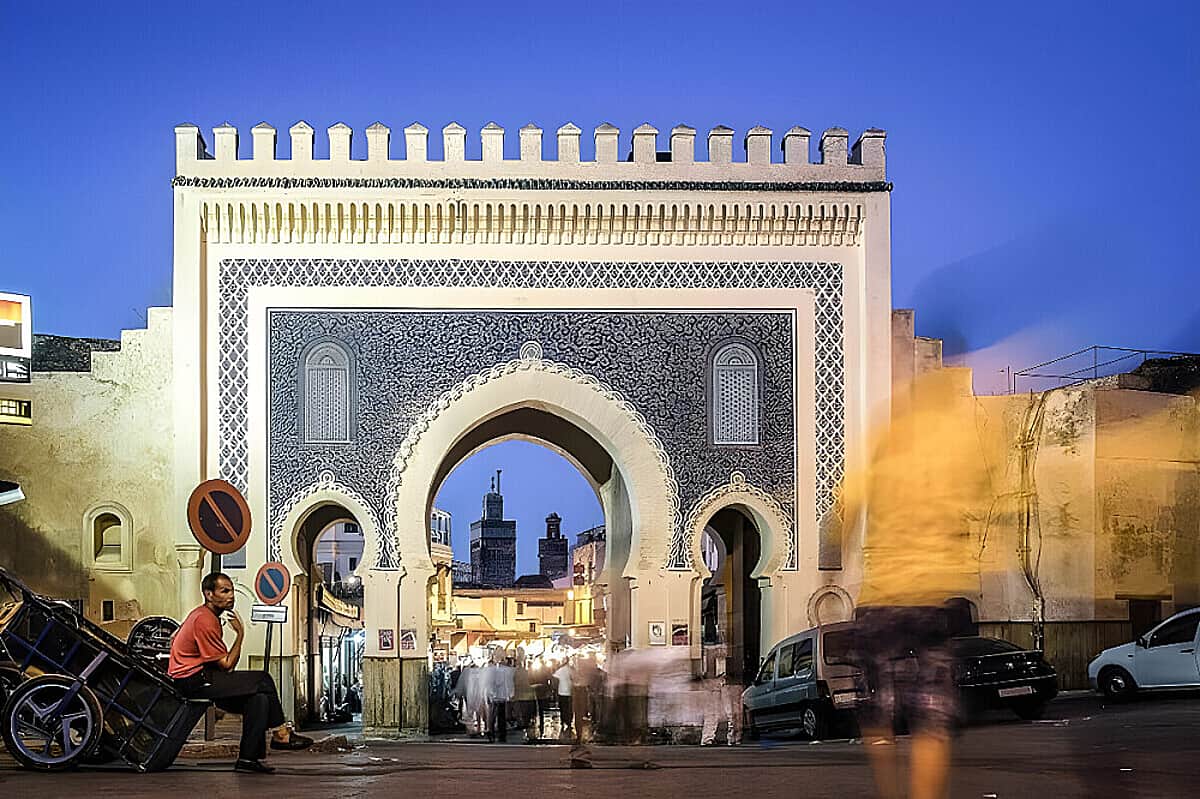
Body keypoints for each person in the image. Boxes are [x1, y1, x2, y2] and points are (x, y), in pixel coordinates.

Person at [845, 371, 992, 799]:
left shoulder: (885, 444)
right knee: (932, 718)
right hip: (932, 601)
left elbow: (846, 504)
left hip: (882, 600)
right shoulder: (957, 450)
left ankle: (890, 793)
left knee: (878, 716)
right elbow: (977, 509)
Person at [169, 572, 312, 773]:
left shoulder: (207, 617)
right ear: (208, 594)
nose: (231, 596)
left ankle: (248, 759)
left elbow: (223, 666)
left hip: (205, 676)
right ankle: (281, 732)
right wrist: (241, 634)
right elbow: (227, 665)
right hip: (194, 680)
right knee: (262, 678)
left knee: (259, 699)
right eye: (224, 591)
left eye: (232, 591)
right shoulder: (204, 619)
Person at [484, 647, 515, 742]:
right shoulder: (495, 667)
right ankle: (496, 733)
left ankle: (496, 733)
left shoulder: (497, 668)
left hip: (498, 694)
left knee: (496, 714)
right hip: (497, 694)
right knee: (496, 714)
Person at [552, 658, 573, 739]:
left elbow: (554, 677)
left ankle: (563, 720)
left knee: (563, 707)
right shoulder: (571, 670)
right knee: (569, 707)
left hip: (562, 692)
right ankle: (569, 721)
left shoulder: (560, 670)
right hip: (570, 692)